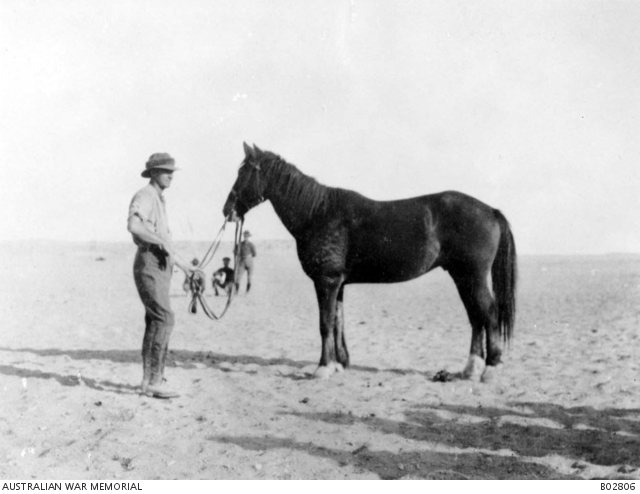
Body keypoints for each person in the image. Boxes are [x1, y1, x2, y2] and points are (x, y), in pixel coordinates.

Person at [127, 152, 195, 399]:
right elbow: (134, 226)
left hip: (159, 266)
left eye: (172, 171)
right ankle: (155, 381)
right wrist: (158, 241)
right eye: (166, 171)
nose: (171, 175)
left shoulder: (158, 198)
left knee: (156, 320)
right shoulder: (145, 195)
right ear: (153, 173)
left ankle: (149, 381)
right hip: (149, 264)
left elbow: (166, 243)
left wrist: (188, 267)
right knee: (164, 318)